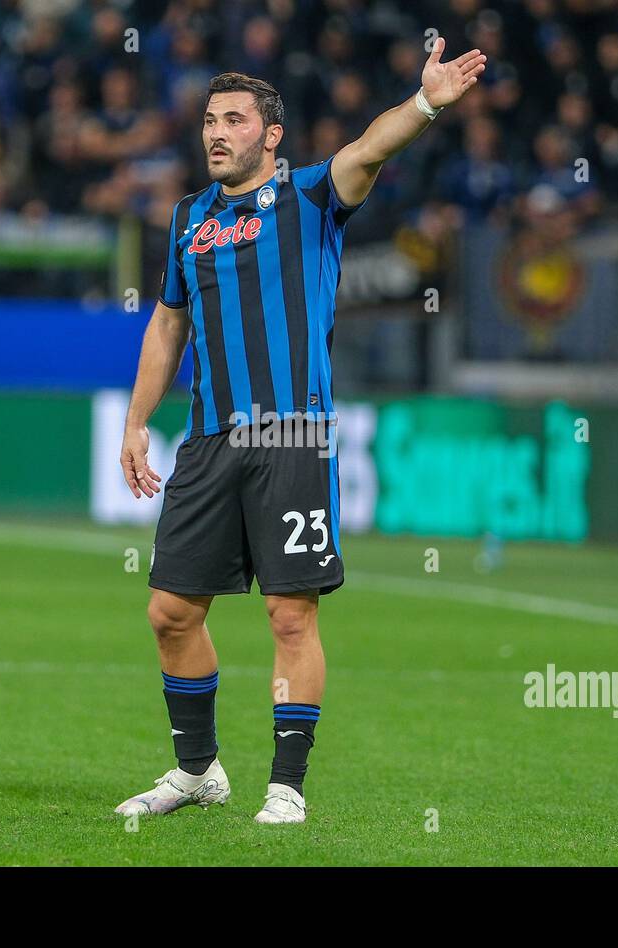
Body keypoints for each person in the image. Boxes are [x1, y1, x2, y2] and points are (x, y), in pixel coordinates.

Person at [116, 40, 486, 824]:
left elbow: (371, 146)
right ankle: (198, 771)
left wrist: (424, 104)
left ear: (271, 134)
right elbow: (166, 326)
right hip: (210, 440)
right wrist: (136, 420)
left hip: (291, 437)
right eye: (210, 121)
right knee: (170, 612)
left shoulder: (313, 196)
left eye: (235, 120)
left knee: (291, 613)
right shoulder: (188, 219)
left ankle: (286, 786)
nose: (217, 133)